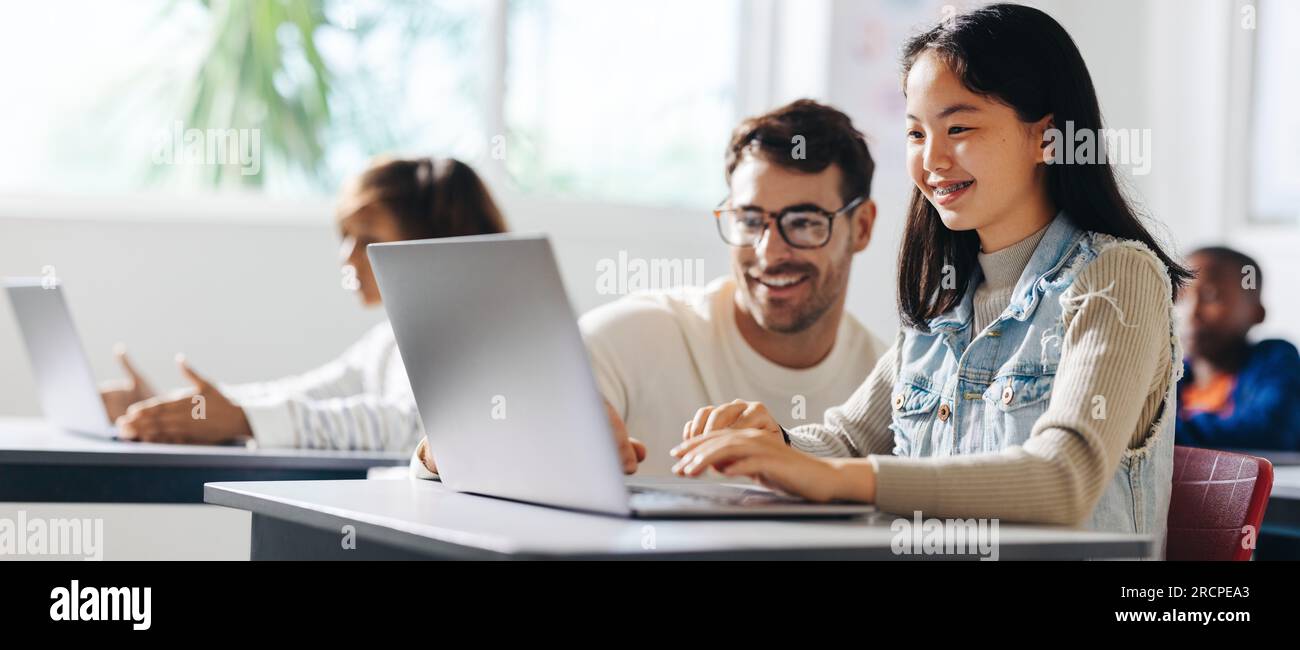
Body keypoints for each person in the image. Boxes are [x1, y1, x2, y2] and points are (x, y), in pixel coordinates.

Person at [672, 4, 1191, 555]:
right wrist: (774, 443)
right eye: (916, 133)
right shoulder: (944, 298)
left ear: (1048, 138)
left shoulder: (1118, 276)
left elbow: (1064, 478)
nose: (932, 158)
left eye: (959, 127)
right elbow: (848, 443)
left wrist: (848, 481)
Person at [414, 99, 886, 478]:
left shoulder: (889, 382)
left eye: (803, 223)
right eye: (749, 221)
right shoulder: (637, 335)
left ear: (861, 227)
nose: (769, 252)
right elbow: (450, 450)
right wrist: (462, 445)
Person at [101, 157, 643, 468]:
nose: (346, 257)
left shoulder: (483, 335)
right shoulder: (390, 339)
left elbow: (406, 426)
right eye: (343, 238)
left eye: (364, 238)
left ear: (434, 237)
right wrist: (181, 412)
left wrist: (239, 420)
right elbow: (313, 393)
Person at [1175, 246, 1300, 450]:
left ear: (1256, 313)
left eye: (1211, 296)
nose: (1191, 312)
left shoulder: (1274, 359)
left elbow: (1271, 432)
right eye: (1181, 297)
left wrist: (1163, 433)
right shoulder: (1170, 377)